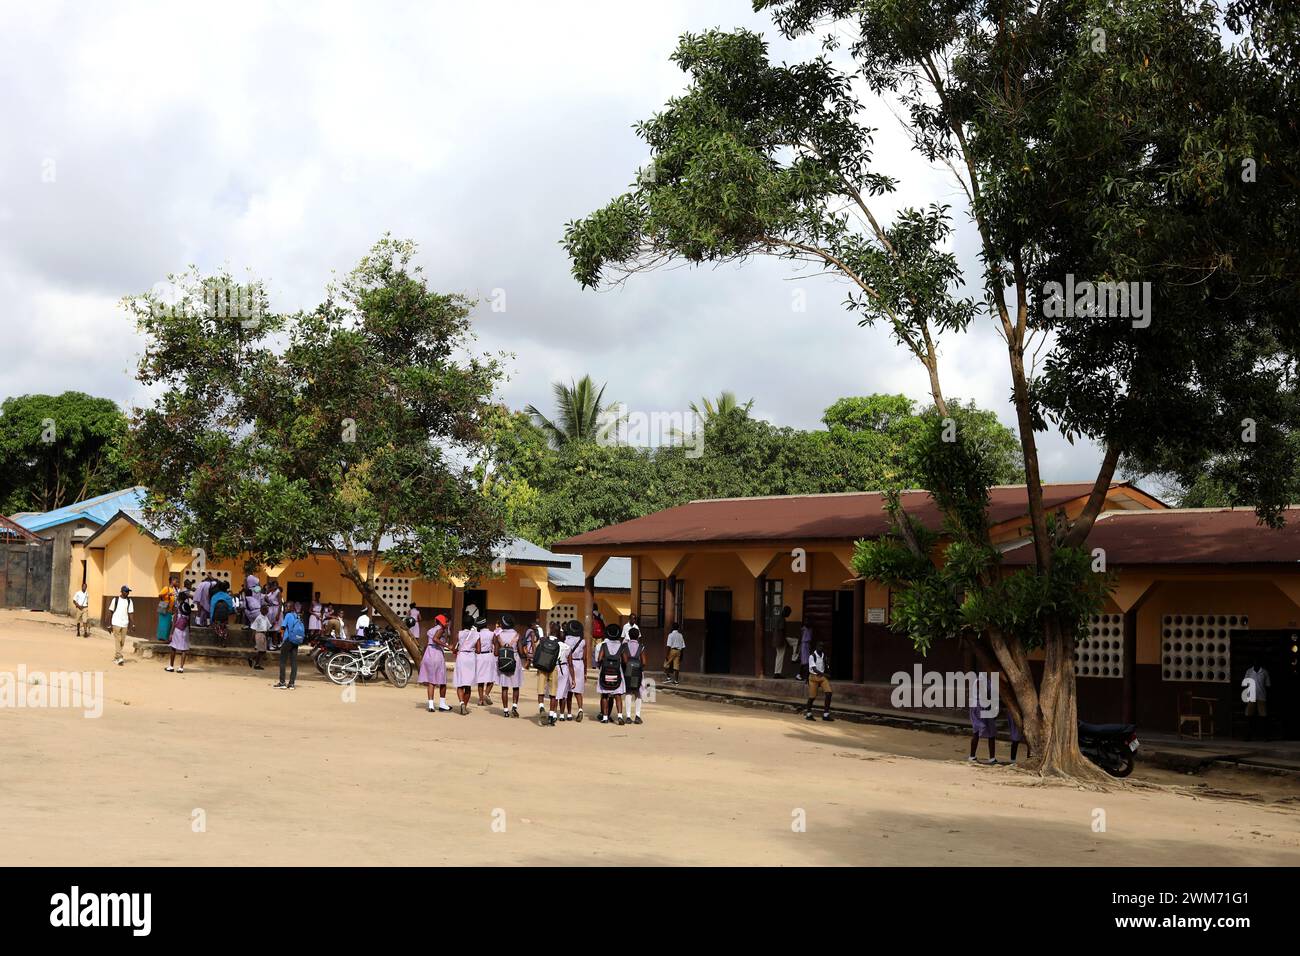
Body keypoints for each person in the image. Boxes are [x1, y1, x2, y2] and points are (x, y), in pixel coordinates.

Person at [419, 614, 452, 712]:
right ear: (442, 622)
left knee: (431, 682)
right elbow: (435, 639)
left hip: (428, 653)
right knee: (442, 681)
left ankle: (431, 705)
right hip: (436, 654)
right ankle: (442, 704)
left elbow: (429, 641)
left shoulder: (431, 630)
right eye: (446, 621)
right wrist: (447, 646)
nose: (447, 623)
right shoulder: (441, 629)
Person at [596, 623, 627, 724]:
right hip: (617, 671)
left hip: (605, 671)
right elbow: (625, 661)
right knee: (618, 695)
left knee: (605, 695)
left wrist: (600, 664)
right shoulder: (621, 646)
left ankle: (605, 717)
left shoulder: (604, 645)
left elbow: (599, 658)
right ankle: (620, 716)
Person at [494, 614, 523, 717]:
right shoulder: (517, 635)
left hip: (503, 660)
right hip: (515, 660)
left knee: (504, 687)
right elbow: (520, 651)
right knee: (516, 686)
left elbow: (496, 653)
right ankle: (514, 706)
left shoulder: (499, 635)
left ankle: (505, 710)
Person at [557, 621, 586, 722]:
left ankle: (568, 714)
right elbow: (585, 657)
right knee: (578, 690)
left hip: (568, 664)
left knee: (568, 690)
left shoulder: (566, 640)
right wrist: (585, 671)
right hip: (579, 664)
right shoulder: (582, 641)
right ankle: (580, 709)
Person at [275, 602, 306, 689]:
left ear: (290, 607)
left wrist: (280, 636)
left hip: (288, 639)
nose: (285, 608)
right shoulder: (298, 616)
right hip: (296, 640)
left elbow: (283, 627)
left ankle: (282, 683)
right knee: (294, 662)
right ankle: (291, 684)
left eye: (286, 607)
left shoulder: (288, 615)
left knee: (282, 661)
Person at [968, 677, 997, 764]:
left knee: (991, 732)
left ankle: (992, 758)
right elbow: (986, 694)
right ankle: (972, 756)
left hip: (986, 707)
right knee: (976, 731)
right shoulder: (978, 681)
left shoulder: (990, 681)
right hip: (978, 707)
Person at [453, 613, 479, 715]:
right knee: (468, 685)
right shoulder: (476, 634)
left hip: (461, 657)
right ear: (472, 624)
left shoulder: (459, 634)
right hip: (471, 658)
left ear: (463, 624)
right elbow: (479, 649)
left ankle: (461, 703)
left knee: (460, 683)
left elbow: (455, 648)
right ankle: (465, 706)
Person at [804, 640, 834, 722]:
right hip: (813, 677)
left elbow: (826, 666)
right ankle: (808, 714)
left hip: (822, 677)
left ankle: (826, 714)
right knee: (812, 697)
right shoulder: (812, 656)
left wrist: (827, 670)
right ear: (816, 647)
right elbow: (814, 669)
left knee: (829, 693)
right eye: (819, 646)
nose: (821, 648)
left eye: (822, 646)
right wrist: (824, 674)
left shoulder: (824, 656)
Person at [623, 624, 646, 725]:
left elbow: (624, 660)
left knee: (628, 692)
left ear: (628, 635)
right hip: (638, 671)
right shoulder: (641, 647)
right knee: (638, 693)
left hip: (627, 670)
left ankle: (628, 716)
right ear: (638, 636)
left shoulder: (624, 646)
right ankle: (637, 715)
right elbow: (644, 662)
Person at [1244, 657, 1272, 741]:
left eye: (1258, 662)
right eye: (1255, 662)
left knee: (1263, 717)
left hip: (1261, 696)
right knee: (1249, 716)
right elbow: (1245, 683)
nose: (1256, 663)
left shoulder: (1264, 672)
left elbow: (1268, 685)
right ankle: (1248, 736)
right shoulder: (1249, 671)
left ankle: (1265, 736)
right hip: (1251, 696)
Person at [107, 585, 134, 666]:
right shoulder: (115, 600)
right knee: (117, 640)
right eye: (126, 591)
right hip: (116, 623)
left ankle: (116, 658)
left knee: (122, 642)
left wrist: (133, 623)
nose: (127, 593)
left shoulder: (129, 601)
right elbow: (110, 612)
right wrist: (109, 625)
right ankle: (120, 657)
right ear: (121, 591)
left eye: (128, 591)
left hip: (125, 623)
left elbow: (131, 613)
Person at [475, 612, 496, 706]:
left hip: (479, 657)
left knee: (480, 679)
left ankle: (480, 700)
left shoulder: (477, 634)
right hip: (489, 656)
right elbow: (495, 644)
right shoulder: (492, 634)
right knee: (491, 677)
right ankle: (486, 694)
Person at [165, 597, 191, 673]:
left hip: (177, 630)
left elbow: (174, 622)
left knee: (173, 647)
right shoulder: (188, 608)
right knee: (184, 649)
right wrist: (189, 630)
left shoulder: (178, 608)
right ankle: (181, 668)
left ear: (179, 599)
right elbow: (189, 622)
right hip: (185, 630)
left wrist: (171, 633)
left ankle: (171, 666)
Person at [775, 606, 798, 677]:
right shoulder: (782, 619)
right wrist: (786, 642)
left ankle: (777, 673)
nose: (789, 615)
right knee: (797, 641)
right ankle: (794, 658)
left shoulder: (779, 617)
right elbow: (781, 631)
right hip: (781, 640)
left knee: (779, 656)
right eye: (789, 613)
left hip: (777, 639)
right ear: (786, 612)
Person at [157, 575, 179, 643]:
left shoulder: (174, 589)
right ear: (172, 581)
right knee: (163, 624)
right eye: (175, 581)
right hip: (164, 608)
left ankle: (165, 638)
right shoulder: (166, 588)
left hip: (169, 609)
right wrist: (167, 595)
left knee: (167, 624)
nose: (177, 582)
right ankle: (162, 638)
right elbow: (160, 595)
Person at [264, 581, 283, 651]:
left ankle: (275, 644)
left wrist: (278, 614)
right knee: (270, 628)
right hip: (271, 610)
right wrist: (266, 599)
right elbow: (270, 602)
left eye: (275, 585)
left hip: (276, 610)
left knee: (275, 629)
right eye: (273, 585)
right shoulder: (271, 593)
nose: (274, 587)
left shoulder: (278, 592)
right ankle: (270, 643)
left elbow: (280, 604)